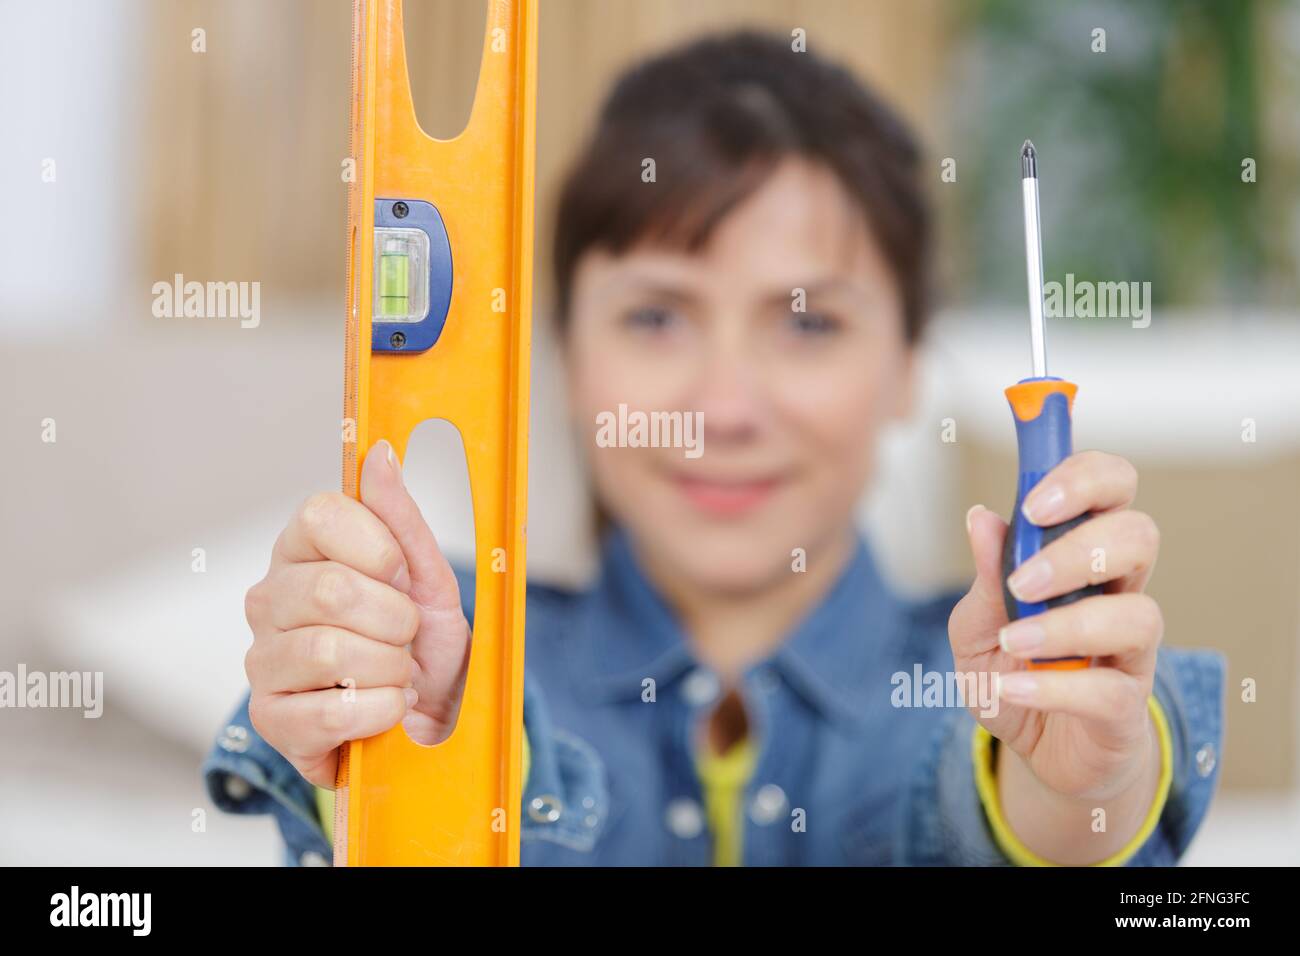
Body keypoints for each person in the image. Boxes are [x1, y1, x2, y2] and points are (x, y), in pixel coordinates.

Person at [204, 31, 1223, 866]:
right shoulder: (453, 653)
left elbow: (1020, 806)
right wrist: (416, 744)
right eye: (655, 318)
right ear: (563, 352)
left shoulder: (992, 688)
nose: (723, 407)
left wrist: (1073, 791)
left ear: (910, 361)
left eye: (808, 323)